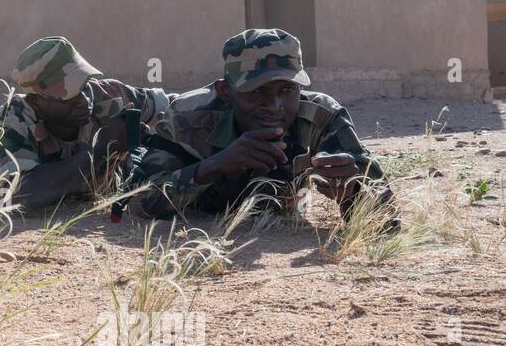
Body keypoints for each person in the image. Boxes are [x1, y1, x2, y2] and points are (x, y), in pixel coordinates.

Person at [127, 29, 395, 223]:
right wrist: (215, 166)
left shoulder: (321, 116)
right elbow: (140, 204)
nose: (274, 105)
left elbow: (387, 220)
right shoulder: (186, 117)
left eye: (288, 89)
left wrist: (353, 193)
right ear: (225, 91)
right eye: (256, 92)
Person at [0, 37, 173, 211]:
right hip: (24, 168)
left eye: (84, 85)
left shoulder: (109, 93)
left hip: (85, 183)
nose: (85, 99)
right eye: (69, 94)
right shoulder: (16, 116)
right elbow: (18, 195)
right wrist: (100, 150)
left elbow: (172, 106)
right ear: (36, 101)